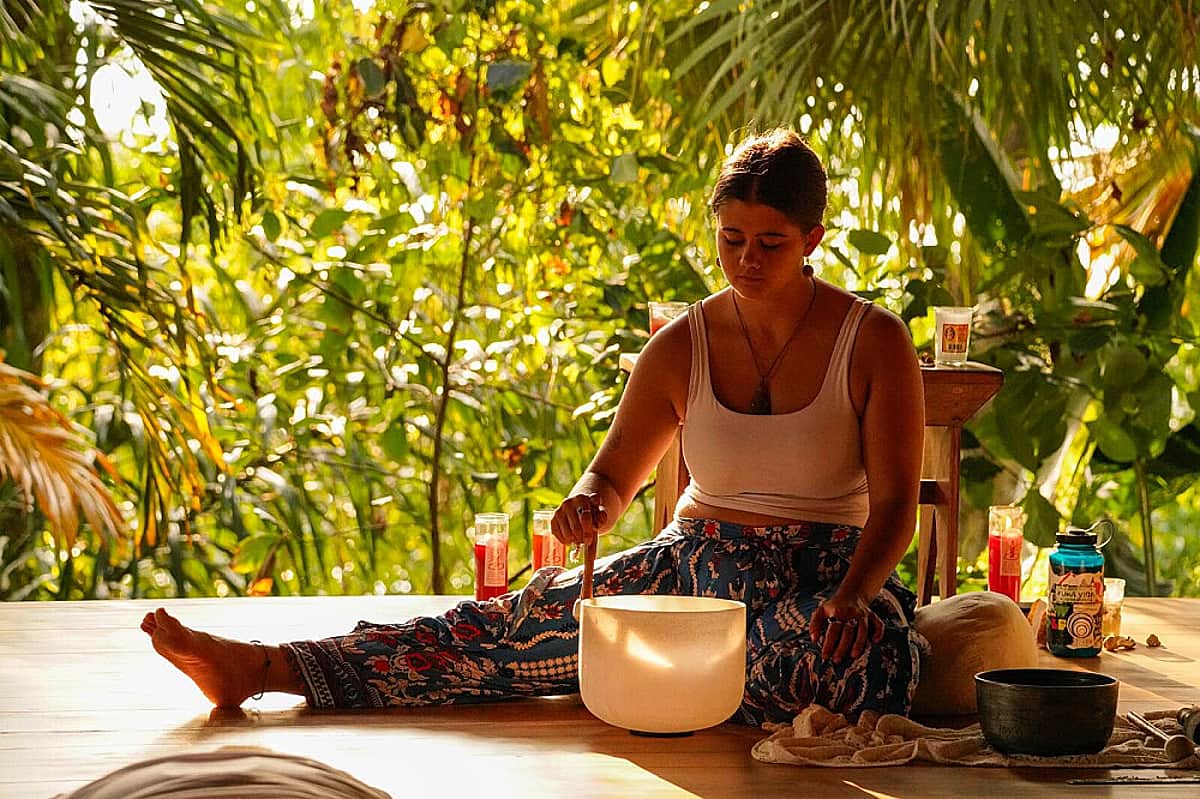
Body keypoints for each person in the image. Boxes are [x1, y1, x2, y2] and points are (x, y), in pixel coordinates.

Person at [142, 128, 927, 725]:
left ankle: (652, 676)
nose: (746, 261)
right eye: (731, 240)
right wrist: (588, 501)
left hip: (826, 580)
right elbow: (612, 477)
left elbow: (893, 506)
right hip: (692, 574)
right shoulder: (680, 344)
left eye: (770, 244)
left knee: (858, 666)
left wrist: (855, 596)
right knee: (505, 624)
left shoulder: (874, 340)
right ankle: (264, 667)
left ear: (813, 240)